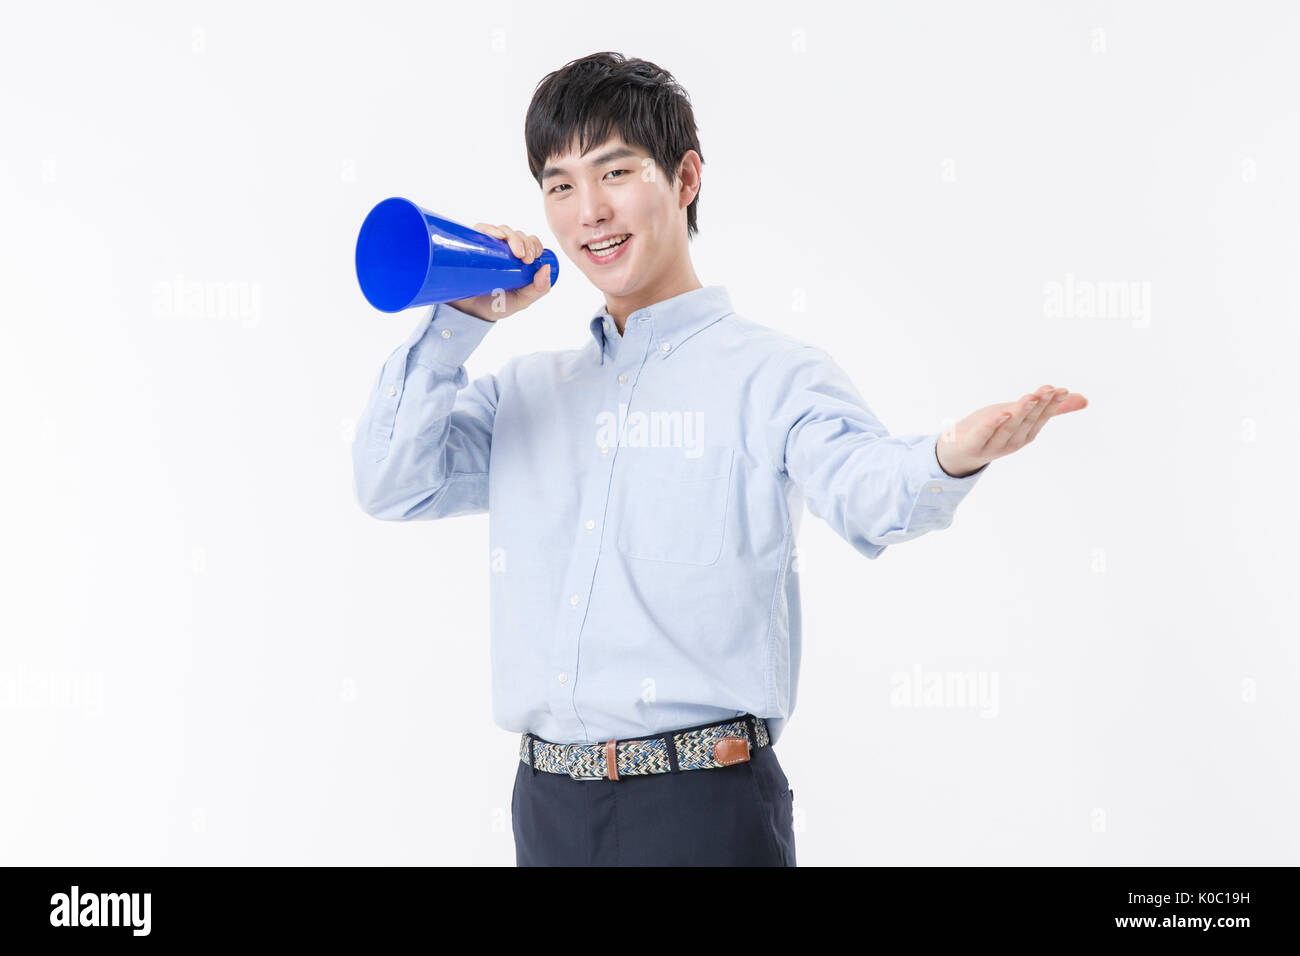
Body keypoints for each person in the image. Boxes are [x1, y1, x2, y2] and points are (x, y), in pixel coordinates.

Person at [351, 51, 1087, 866]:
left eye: (615, 172)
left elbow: (873, 494)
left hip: (701, 813)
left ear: (686, 177)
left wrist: (950, 455)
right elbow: (392, 483)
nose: (588, 210)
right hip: (546, 811)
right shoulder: (523, 392)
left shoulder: (771, 376)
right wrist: (458, 318)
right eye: (559, 185)